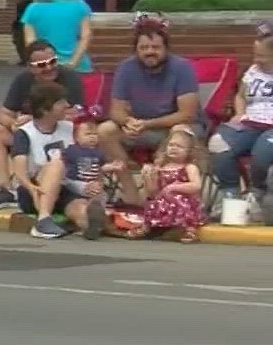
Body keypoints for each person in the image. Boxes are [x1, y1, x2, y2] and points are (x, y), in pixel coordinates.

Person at [97, 15, 199, 203]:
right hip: (140, 127)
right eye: (144, 48)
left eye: (156, 47)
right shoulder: (126, 68)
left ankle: (163, 200)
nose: (150, 52)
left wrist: (146, 123)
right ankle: (132, 196)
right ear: (136, 50)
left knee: (178, 133)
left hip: (174, 127)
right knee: (105, 130)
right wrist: (128, 122)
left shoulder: (182, 67)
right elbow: (116, 110)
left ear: (166, 48)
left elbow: (187, 114)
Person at [0, 39, 87, 209]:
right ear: (30, 67)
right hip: (31, 136)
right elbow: (4, 114)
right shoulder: (23, 80)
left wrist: (36, 118)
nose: (49, 68)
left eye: (52, 62)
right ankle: (6, 190)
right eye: (42, 64)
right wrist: (14, 124)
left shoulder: (69, 78)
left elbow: (78, 114)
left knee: (86, 131)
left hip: (61, 136)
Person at [8, 81, 102, 240]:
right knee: (57, 163)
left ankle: (87, 223)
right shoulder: (25, 133)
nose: (67, 105)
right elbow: (19, 170)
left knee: (81, 208)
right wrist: (31, 188)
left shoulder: (69, 128)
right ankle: (43, 220)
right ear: (45, 109)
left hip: (65, 186)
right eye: (60, 102)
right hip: (35, 189)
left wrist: (87, 185)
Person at [209, 24, 273, 210]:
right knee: (218, 143)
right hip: (250, 121)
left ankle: (257, 192)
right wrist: (239, 113)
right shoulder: (253, 71)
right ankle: (229, 192)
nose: (256, 60)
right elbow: (240, 95)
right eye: (255, 54)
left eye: (261, 56)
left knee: (260, 156)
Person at [18, 0, 94, 72]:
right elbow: (85, 36)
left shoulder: (33, 9)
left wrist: (42, 64)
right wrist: (73, 62)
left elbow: (31, 44)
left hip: (44, 69)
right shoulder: (80, 5)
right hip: (78, 68)